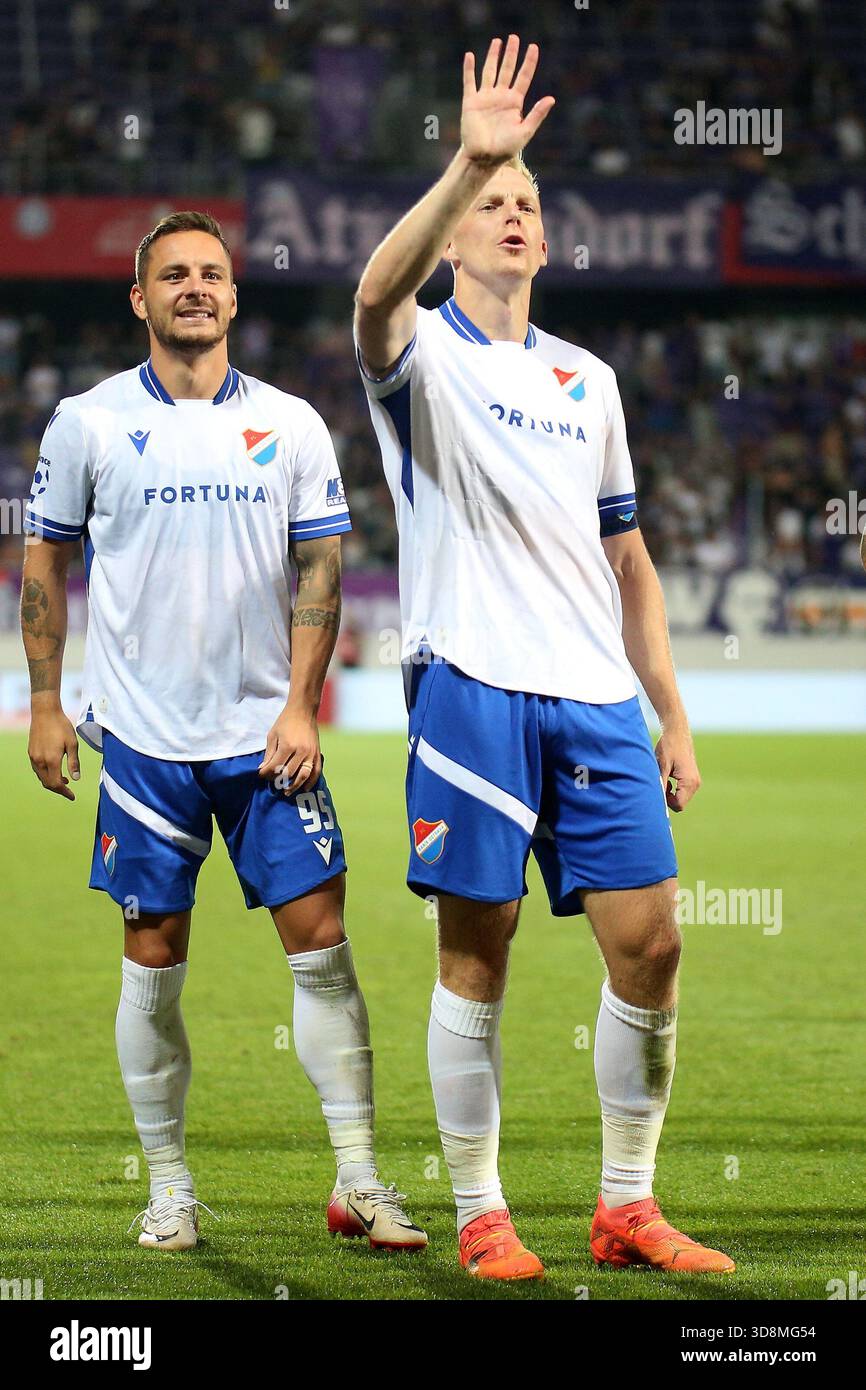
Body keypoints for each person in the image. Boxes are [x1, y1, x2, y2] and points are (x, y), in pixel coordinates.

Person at [353, 36, 734, 1280]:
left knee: (653, 940)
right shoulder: (420, 362)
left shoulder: (591, 381)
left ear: (544, 242)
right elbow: (368, 299)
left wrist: (669, 712)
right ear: (454, 232)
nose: (510, 213)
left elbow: (628, 561)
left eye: (524, 202)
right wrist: (467, 156)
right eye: (490, 202)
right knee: (480, 943)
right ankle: (478, 1207)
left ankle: (626, 1203)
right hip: (469, 683)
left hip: (597, 700)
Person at [21, 210, 425, 1255]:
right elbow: (43, 569)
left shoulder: (290, 423)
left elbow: (322, 569)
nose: (194, 289)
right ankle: (167, 1186)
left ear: (234, 298)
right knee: (150, 962)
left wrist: (300, 703)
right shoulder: (87, 423)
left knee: (324, 952)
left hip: (266, 742)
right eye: (173, 276)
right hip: (145, 746)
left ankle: (359, 1180)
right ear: (140, 299)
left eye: (211, 274)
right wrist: (49, 702)